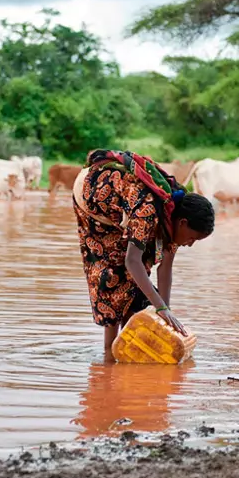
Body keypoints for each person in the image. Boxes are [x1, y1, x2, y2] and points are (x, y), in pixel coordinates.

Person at [73, 150, 215, 361]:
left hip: (124, 204)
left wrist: (164, 312)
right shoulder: (148, 211)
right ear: (183, 223)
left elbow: (165, 267)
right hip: (93, 196)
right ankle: (109, 354)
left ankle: (129, 341)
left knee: (139, 280)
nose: (190, 244)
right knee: (111, 272)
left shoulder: (175, 212)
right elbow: (132, 261)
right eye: (192, 238)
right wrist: (160, 306)